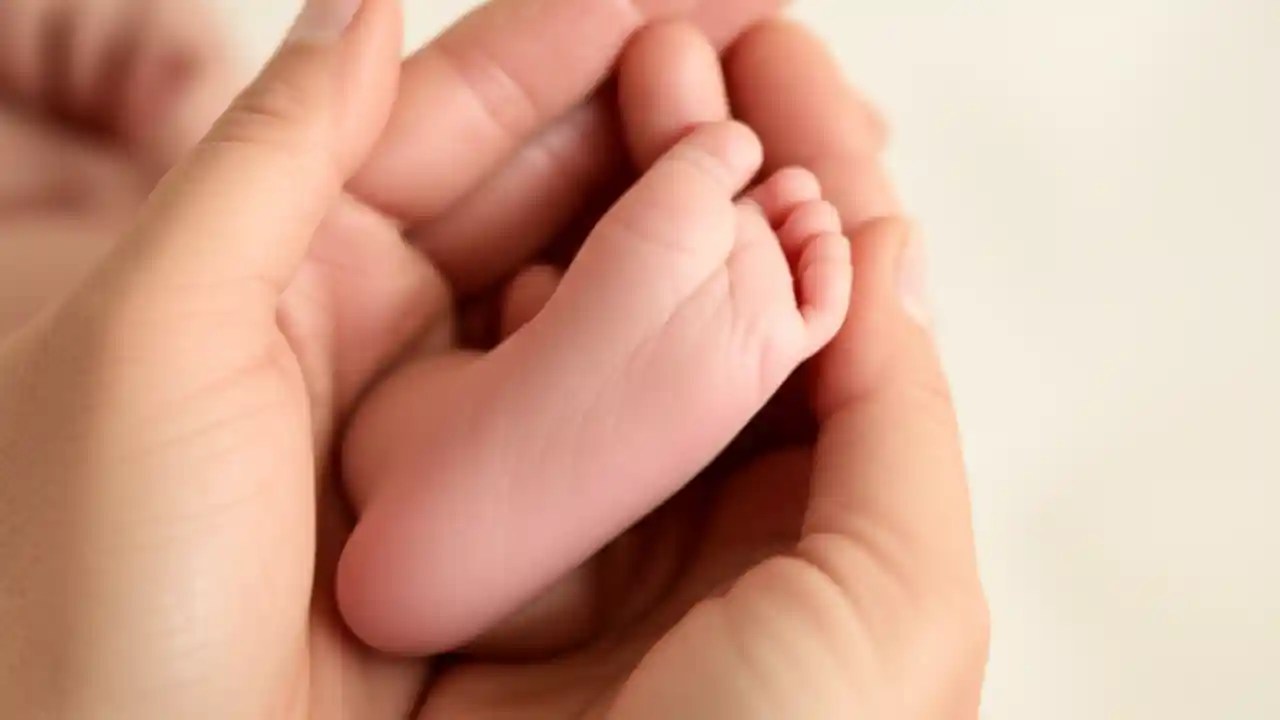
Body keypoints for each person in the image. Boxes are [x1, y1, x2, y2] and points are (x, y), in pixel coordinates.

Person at [0, 0, 988, 718]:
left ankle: (489, 421)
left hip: (158, 368)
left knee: (341, 374)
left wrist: (156, 96)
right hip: (128, 337)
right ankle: (519, 418)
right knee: (245, 289)